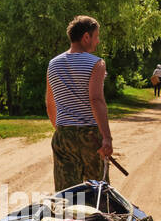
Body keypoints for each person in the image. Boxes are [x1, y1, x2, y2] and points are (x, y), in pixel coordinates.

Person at [46, 15, 113, 191]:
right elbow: (96, 99)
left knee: (67, 194)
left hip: (63, 135)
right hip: (90, 136)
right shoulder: (97, 63)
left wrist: (61, 129)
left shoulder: (53, 64)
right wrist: (106, 137)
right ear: (86, 37)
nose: (97, 41)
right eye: (96, 36)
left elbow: (50, 102)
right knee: (97, 192)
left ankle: (69, 219)